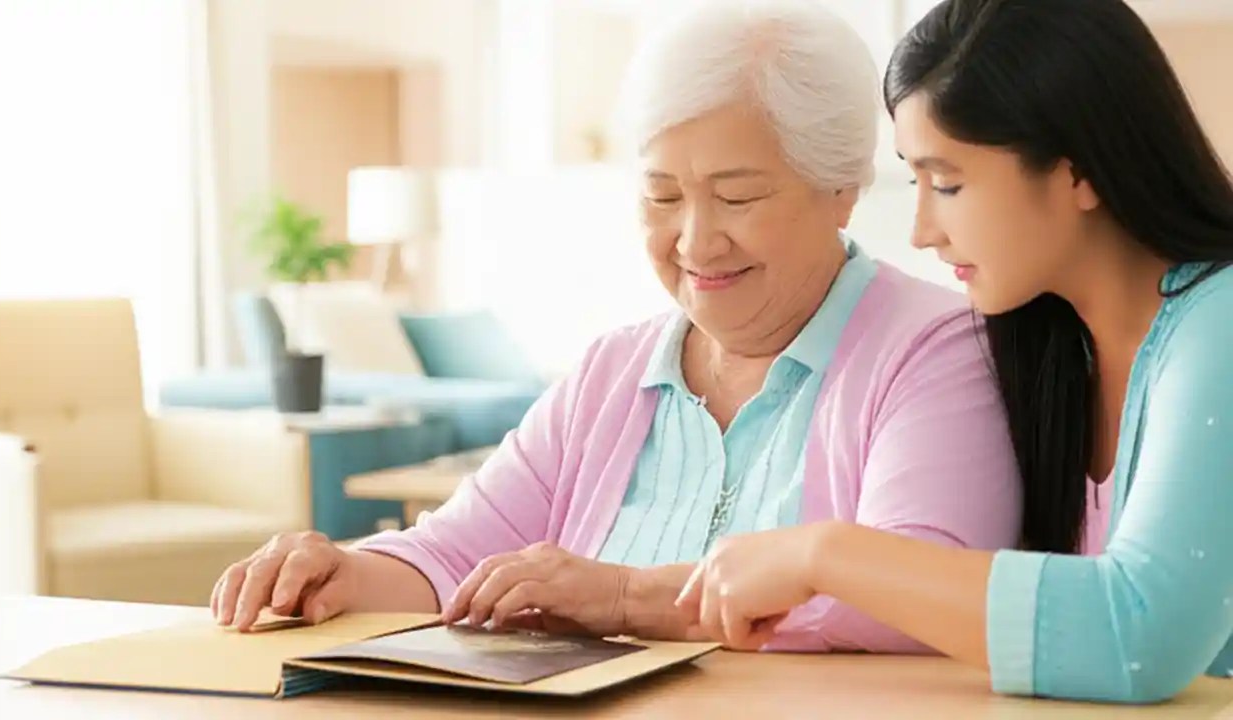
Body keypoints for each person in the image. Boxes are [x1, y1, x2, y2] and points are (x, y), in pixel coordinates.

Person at [211, 0, 1021, 652]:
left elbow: (923, 595)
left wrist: (629, 596)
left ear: (841, 188)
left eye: (736, 196)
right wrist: (342, 573)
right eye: (662, 196)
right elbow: (457, 553)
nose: (695, 240)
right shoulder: (614, 369)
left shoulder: (934, 349)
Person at [678, 0, 1233, 704]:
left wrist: (824, 552)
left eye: (948, 183)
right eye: (916, 181)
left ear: (1078, 172)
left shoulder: (1220, 321)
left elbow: (1138, 633)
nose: (921, 231)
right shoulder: (1056, 354)